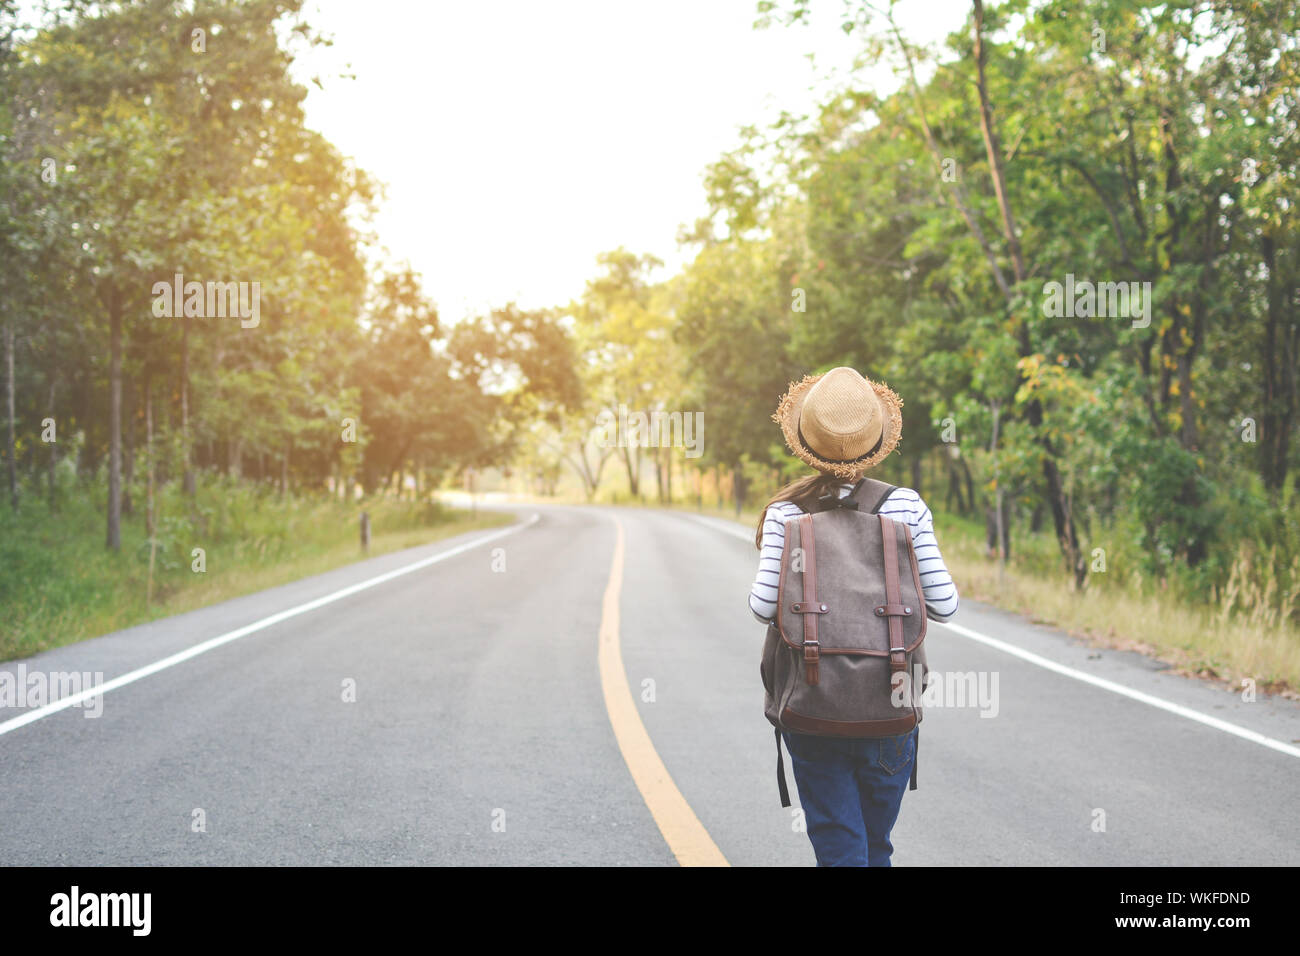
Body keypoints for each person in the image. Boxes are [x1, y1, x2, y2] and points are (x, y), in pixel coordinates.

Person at [749, 366, 958, 866]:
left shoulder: (787, 513)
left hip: (812, 707)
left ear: (805, 439)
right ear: (876, 440)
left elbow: (761, 607)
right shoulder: (905, 506)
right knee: (874, 844)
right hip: (889, 707)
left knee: (840, 844)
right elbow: (945, 606)